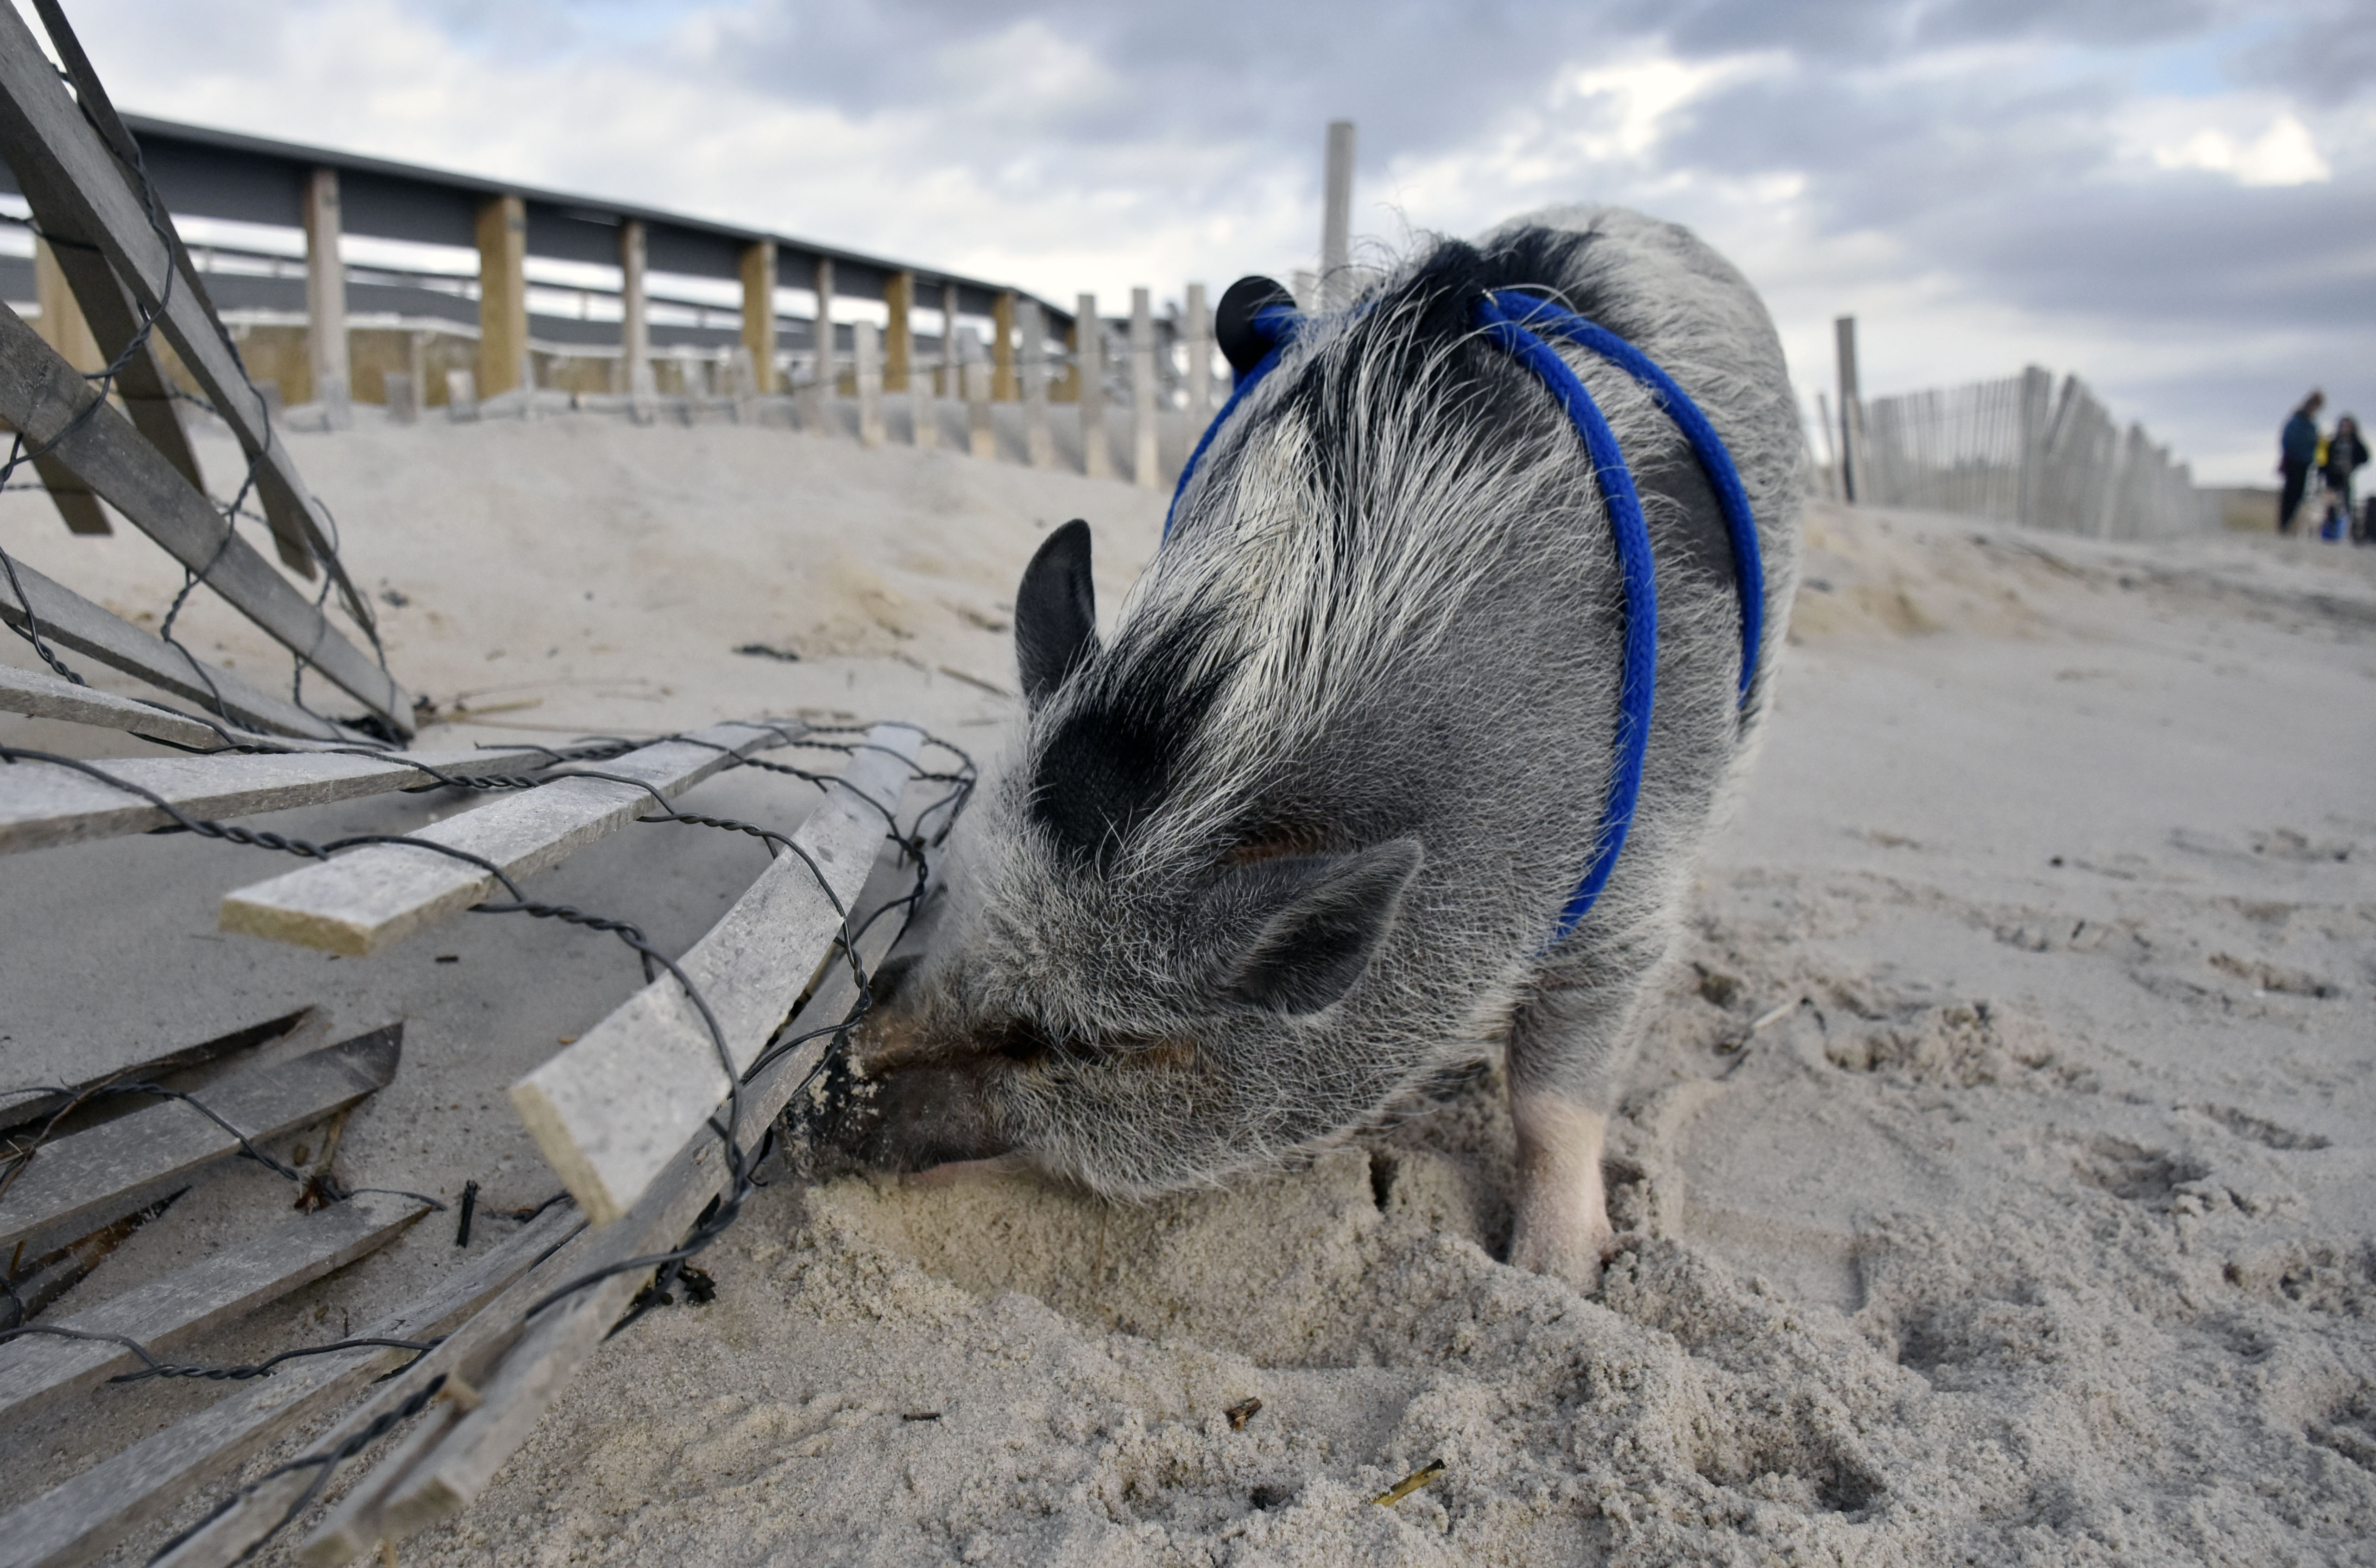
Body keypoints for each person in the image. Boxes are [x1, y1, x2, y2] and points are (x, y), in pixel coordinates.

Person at [2278, 390, 2323, 535]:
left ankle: (2289, 525)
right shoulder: (2297, 420)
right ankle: (2284, 525)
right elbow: (2287, 439)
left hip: (2306, 463)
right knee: (2290, 494)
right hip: (2293, 461)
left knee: (2299, 495)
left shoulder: (2312, 424)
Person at [2323, 413, 2368, 543]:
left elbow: (2365, 457)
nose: (2345, 428)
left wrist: (2353, 466)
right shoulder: (2333, 442)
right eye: (2343, 425)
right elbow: (2324, 459)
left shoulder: (2355, 443)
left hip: (2346, 478)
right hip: (2332, 478)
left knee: (2347, 506)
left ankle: (2345, 535)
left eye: (2348, 426)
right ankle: (2328, 533)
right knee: (2330, 506)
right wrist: (2326, 469)